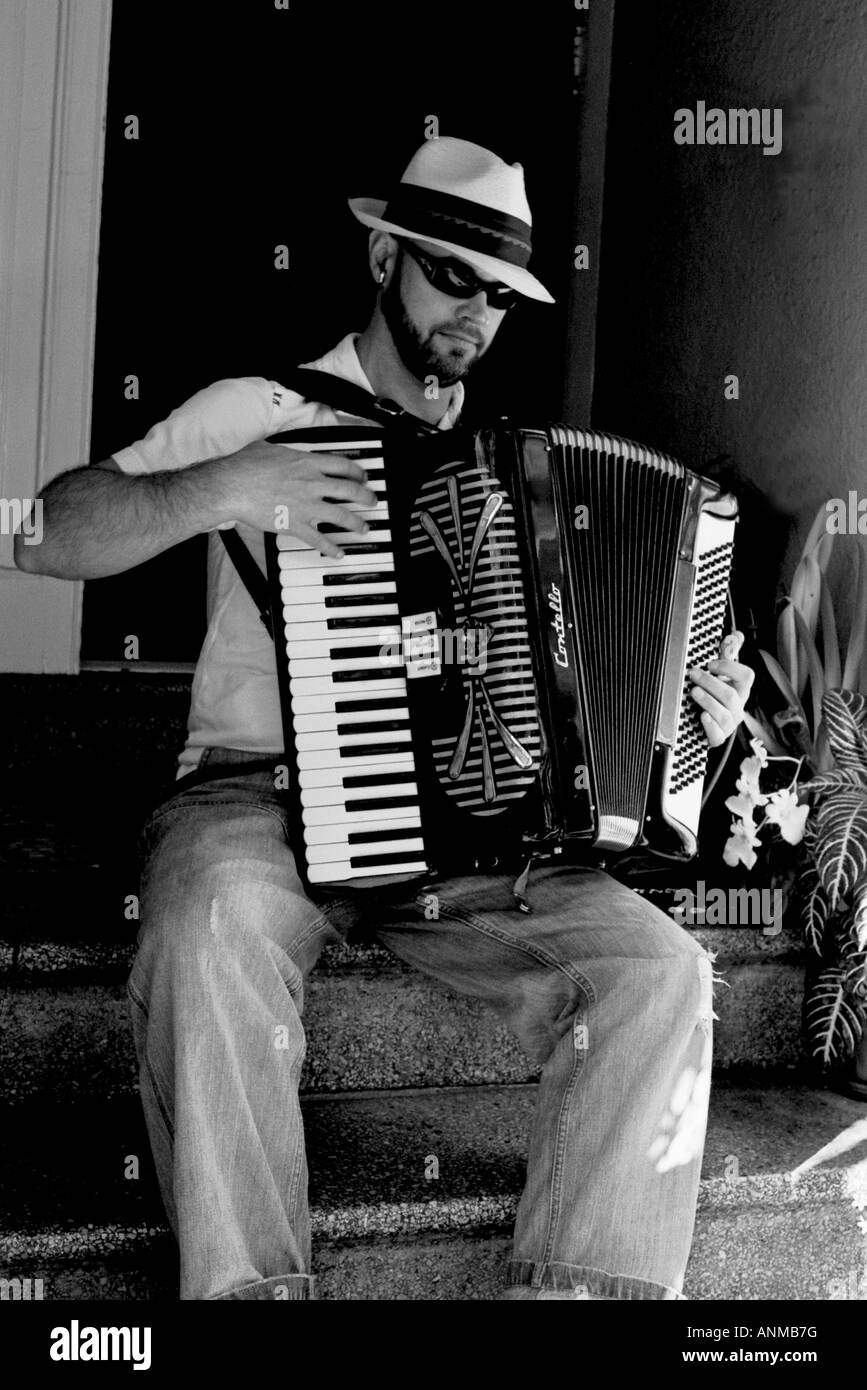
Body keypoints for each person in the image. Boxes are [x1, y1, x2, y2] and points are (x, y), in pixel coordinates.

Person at [16, 137, 754, 1301]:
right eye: (451, 275)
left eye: (501, 293)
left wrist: (691, 720)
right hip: (258, 797)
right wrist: (230, 484)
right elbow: (43, 532)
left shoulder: (513, 470)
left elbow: (583, 706)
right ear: (382, 254)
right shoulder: (258, 408)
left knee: (661, 970)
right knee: (211, 923)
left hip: (466, 836)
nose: (476, 312)